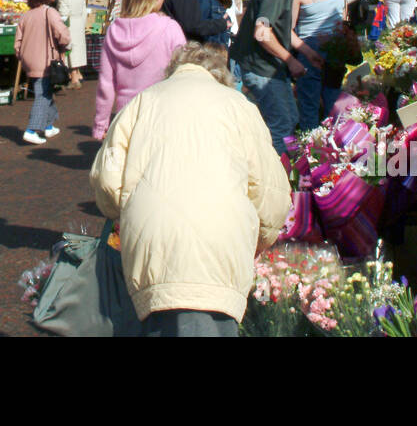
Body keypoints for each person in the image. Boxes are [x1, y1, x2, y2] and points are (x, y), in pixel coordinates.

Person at [89, 42, 292, 337]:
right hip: (222, 238)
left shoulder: (141, 103)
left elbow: (106, 181)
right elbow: (271, 192)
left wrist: (125, 214)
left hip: (153, 239)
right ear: (221, 77)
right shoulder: (240, 107)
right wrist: (261, 239)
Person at [230, 0, 326, 152]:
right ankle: (277, 177)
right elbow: (262, 33)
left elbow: (280, 30)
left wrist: (308, 52)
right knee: (282, 126)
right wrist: (290, 60)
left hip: (270, 68)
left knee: (291, 118)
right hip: (261, 69)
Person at [93, 0, 186, 140]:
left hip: (126, 115)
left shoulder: (113, 32)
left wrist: (101, 124)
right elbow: (185, 74)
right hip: (163, 113)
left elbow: (106, 84)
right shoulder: (170, 29)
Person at [289, 0, 347, 130]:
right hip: (337, 45)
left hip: (310, 48)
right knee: (334, 102)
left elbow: (288, 29)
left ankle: (312, 149)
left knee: (309, 106)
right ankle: (338, 145)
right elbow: (344, 16)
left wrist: (302, 51)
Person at [14, 0, 71, 145]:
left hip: (29, 61)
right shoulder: (50, 12)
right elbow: (63, 34)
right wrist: (65, 42)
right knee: (43, 94)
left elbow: (17, 43)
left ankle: (48, 125)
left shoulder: (25, 16)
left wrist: (22, 56)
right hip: (45, 60)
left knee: (46, 90)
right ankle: (32, 129)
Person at [53, 0, 88, 90]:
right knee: (78, 49)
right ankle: (78, 74)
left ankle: (73, 78)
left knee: (70, 50)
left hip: (70, 25)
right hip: (79, 23)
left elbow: (63, 15)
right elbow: (84, 11)